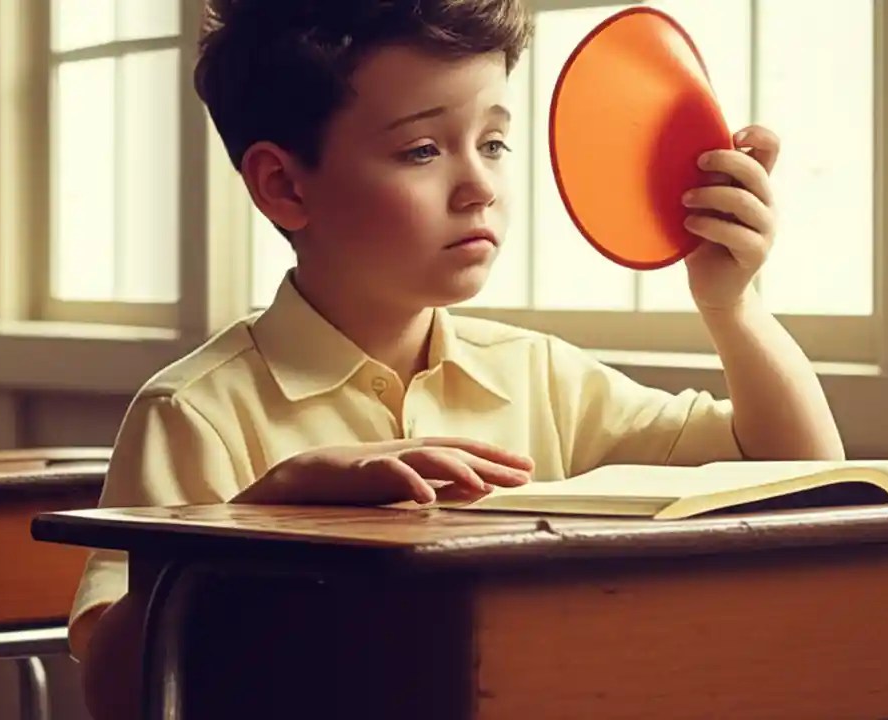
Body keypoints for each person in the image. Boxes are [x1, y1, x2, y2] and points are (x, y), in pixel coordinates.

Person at [70, 1, 844, 717]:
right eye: (421, 149)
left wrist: (732, 305)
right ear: (282, 184)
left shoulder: (541, 376)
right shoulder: (196, 412)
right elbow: (117, 695)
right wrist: (255, 518)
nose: (479, 187)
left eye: (495, 142)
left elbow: (797, 470)